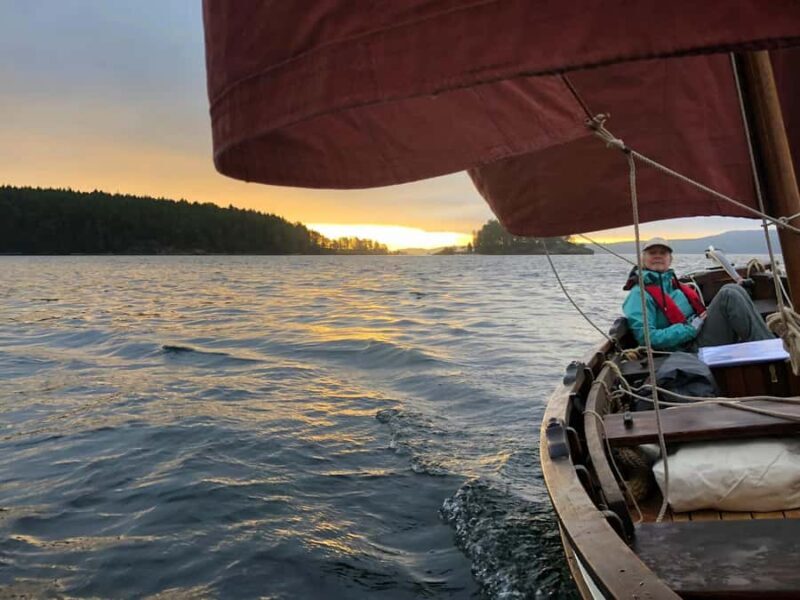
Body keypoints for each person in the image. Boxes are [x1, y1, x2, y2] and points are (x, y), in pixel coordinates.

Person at [622, 237, 773, 351]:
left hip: (698, 334)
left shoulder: (675, 286)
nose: (658, 256)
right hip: (686, 349)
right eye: (652, 253)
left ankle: (766, 343)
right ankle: (770, 349)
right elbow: (646, 338)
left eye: (663, 253)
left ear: (670, 259)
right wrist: (690, 329)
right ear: (642, 259)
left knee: (735, 289)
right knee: (728, 293)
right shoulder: (639, 295)